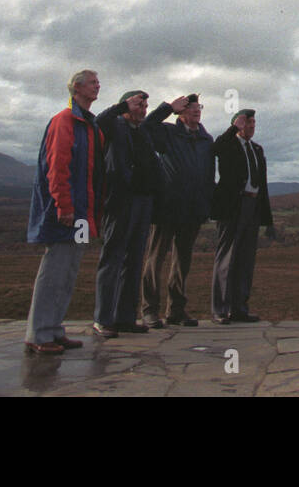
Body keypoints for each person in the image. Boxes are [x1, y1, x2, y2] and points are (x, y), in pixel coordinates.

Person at [24, 69, 105, 355]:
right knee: (55, 267)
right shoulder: (65, 120)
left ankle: (55, 329)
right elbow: (57, 165)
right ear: (77, 88)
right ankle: (39, 333)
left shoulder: (89, 125)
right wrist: (64, 205)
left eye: (98, 82)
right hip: (67, 210)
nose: (98, 86)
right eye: (93, 82)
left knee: (69, 270)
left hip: (83, 212)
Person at [91, 89, 164, 337]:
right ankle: (103, 318)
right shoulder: (115, 125)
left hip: (143, 200)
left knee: (134, 261)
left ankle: (125, 317)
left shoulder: (141, 130)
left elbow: (153, 124)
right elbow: (97, 123)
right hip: (121, 200)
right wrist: (121, 106)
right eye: (137, 104)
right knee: (112, 259)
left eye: (145, 105)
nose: (142, 109)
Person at [141, 93, 213, 327]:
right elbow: (146, 127)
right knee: (156, 257)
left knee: (183, 260)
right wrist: (168, 107)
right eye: (189, 107)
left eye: (198, 107)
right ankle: (149, 309)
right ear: (180, 111)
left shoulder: (205, 139)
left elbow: (209, 175)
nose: (196, 110)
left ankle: (176, 310)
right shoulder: (168, 133)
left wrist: (206, 205)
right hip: (167, 206)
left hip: (193, 208)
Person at [210, 108, 274, 324]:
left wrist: (267, 217)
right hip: (232, 206)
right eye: (247, 123)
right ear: (237, 125)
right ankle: (221, 309)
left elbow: (262, 184)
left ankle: (239, 308)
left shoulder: (257, 149)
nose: (251, 127)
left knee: (246, 259)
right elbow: (215, 149)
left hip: (253, 205)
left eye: (253, 123)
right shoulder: (228, 144)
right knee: (227, 258)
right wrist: (232, 129)